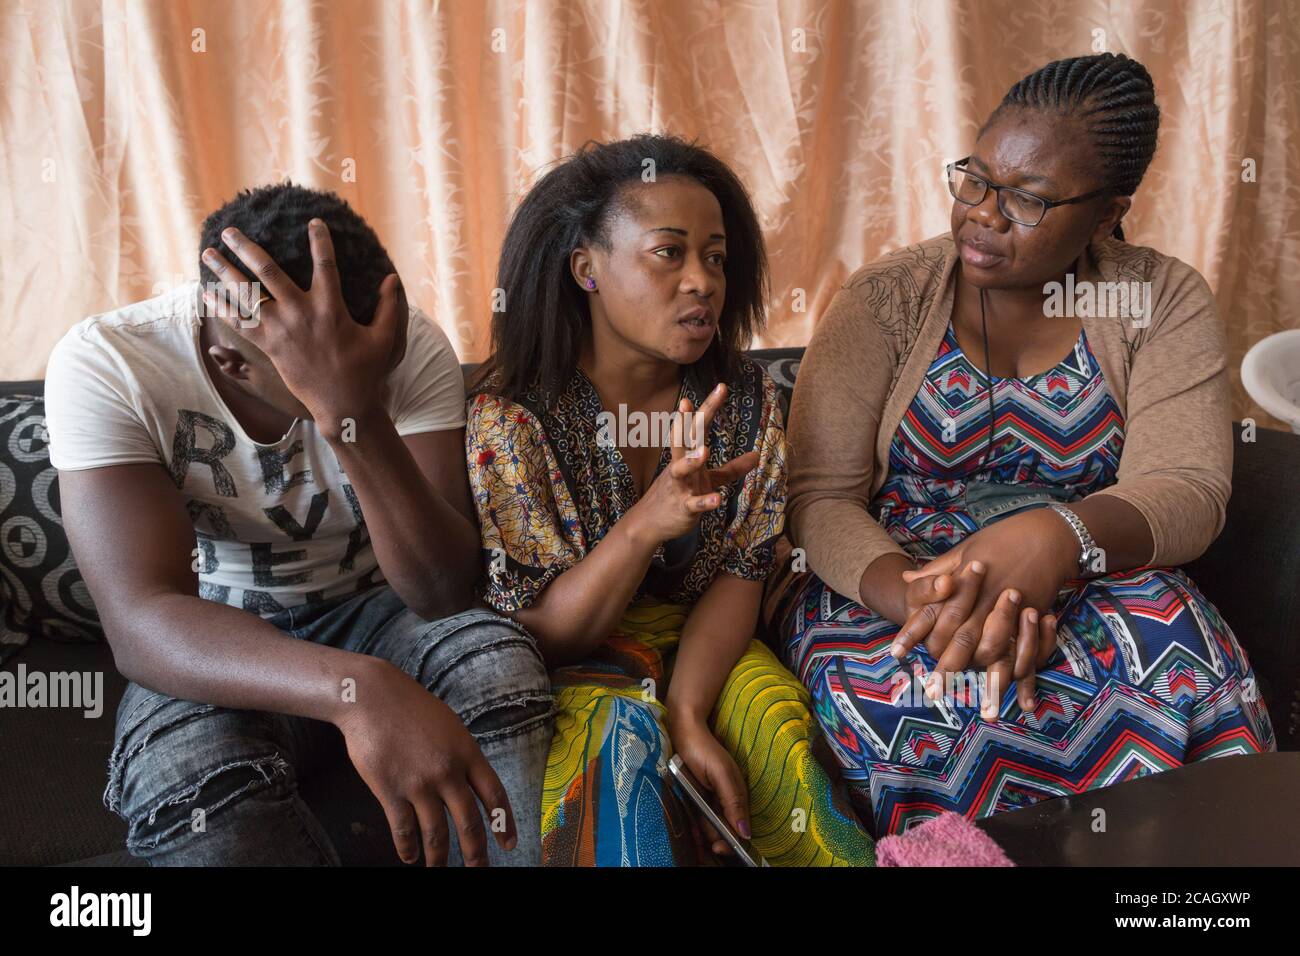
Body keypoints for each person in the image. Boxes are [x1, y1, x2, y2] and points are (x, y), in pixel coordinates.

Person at [770, 53, 1276, 837]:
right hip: (893, 578)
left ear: (1107, 214)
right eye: (974, 179)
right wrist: (916, 598)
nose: (983, 215)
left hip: (1094, 568)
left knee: (1175, 654)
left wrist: (1056, 535)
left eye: (1029, 202)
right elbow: (817, 497)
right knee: (912, 698)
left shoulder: (1159, 299)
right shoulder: (885, 300)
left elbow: (1188, 487)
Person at [45, 183, 554, 866]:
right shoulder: (111, 363)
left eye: (378, 363)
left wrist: (353, 414)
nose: (375, 372)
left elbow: (441, 594)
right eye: (345, 373)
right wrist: (355, 689)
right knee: (192, 786)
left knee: (496, 663)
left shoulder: (404, 343)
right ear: (232, 365)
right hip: (221, 635)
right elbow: (141, 620)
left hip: (385, 613)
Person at [466, 134, 874, 866]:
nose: (703, 281)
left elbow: (741, 576)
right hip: (569, 660)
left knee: (779, 729)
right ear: (586, 269)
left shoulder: (743, 399)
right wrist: (649, 520)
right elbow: (545, 637)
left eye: (716, 257)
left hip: (702, 643)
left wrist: (689, 712)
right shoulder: (513, 417)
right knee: (621, 753)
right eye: (670, 252)